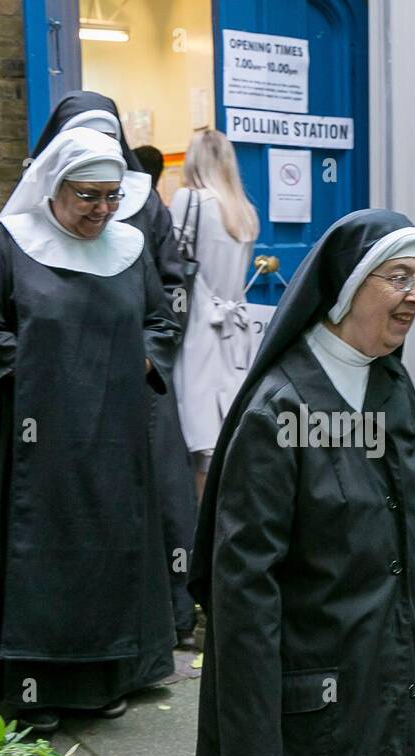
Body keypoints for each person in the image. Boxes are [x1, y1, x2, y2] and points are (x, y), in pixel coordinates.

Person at [185, 210, 415, 756]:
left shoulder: (391, 386)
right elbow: (242, 579)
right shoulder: (284, 407)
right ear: (349, 285)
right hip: (312, 693)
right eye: (400, 277)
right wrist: (249, 731)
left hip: (387, 675)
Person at [0, 128, 181, 734]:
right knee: (42, 552)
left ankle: (104, 681)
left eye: (110, 196)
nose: (101, 210)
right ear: (55, 188)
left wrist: (148, 358)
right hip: (35, 433)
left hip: (112, 431)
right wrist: (38, 372)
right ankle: (33, 691)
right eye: (87, 197)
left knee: (109, 548)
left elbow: (160, 319)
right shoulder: (11, 245)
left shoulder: (129, 246)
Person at [27, 92, 199, 646]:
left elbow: (172, 287)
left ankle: (170, 617)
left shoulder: (145, 204)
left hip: (135, 385)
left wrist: (151, 354)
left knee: (159, 496)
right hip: (64, 391)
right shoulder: (33, 207)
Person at [169, 129, 259, 498]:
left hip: (197, 329)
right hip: (235, 331)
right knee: (227, 432)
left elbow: (170, 263)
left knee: (197, 437)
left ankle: (197, 534)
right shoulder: (244, 211)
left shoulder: (189, 201)